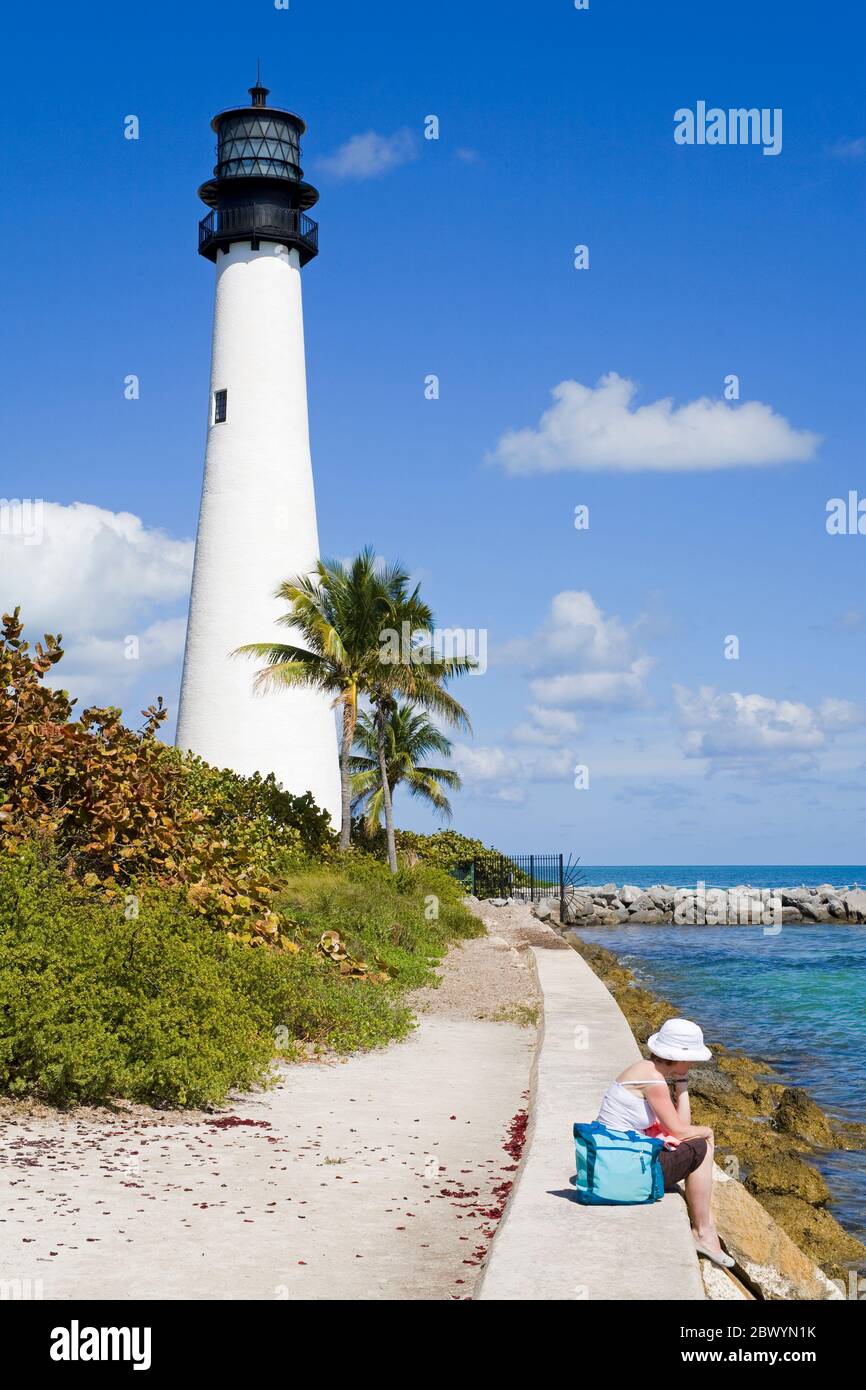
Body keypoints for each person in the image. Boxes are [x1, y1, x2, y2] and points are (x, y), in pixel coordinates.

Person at [595, 1018, 734, 1269]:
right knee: (702, 1145)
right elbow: (680, 1131)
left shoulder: (645, 1070)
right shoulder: (653, 1080)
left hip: (615, 1160)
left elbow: (679, 1125)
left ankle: (705, 1226)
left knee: (697, 1141)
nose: (693, 1063)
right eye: (691, 1058)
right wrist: (708, 1131)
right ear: (680, 1057)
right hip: (625, 1169)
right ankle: (703, 1231)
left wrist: (681, 1082)